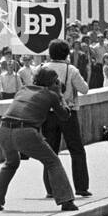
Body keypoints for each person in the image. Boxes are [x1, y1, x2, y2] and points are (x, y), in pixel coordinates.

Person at [0, 67, 77, 212]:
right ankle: (66, 201)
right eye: (56, 82)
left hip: (3, 129)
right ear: (53, 83)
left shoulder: (22, 90)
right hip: (25, 131)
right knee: (52, 161)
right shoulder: (51, 95)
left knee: (10, 163)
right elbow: (65, 115)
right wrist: (60, 95)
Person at [40, 39, 91, 198]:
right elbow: (84, 89)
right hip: (68, 112)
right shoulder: (72, 70)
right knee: (76, 150)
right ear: (66, 53)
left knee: (50, 151)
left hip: (48, 113)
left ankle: (51, 189)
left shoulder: (42, 69)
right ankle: (81, 187)